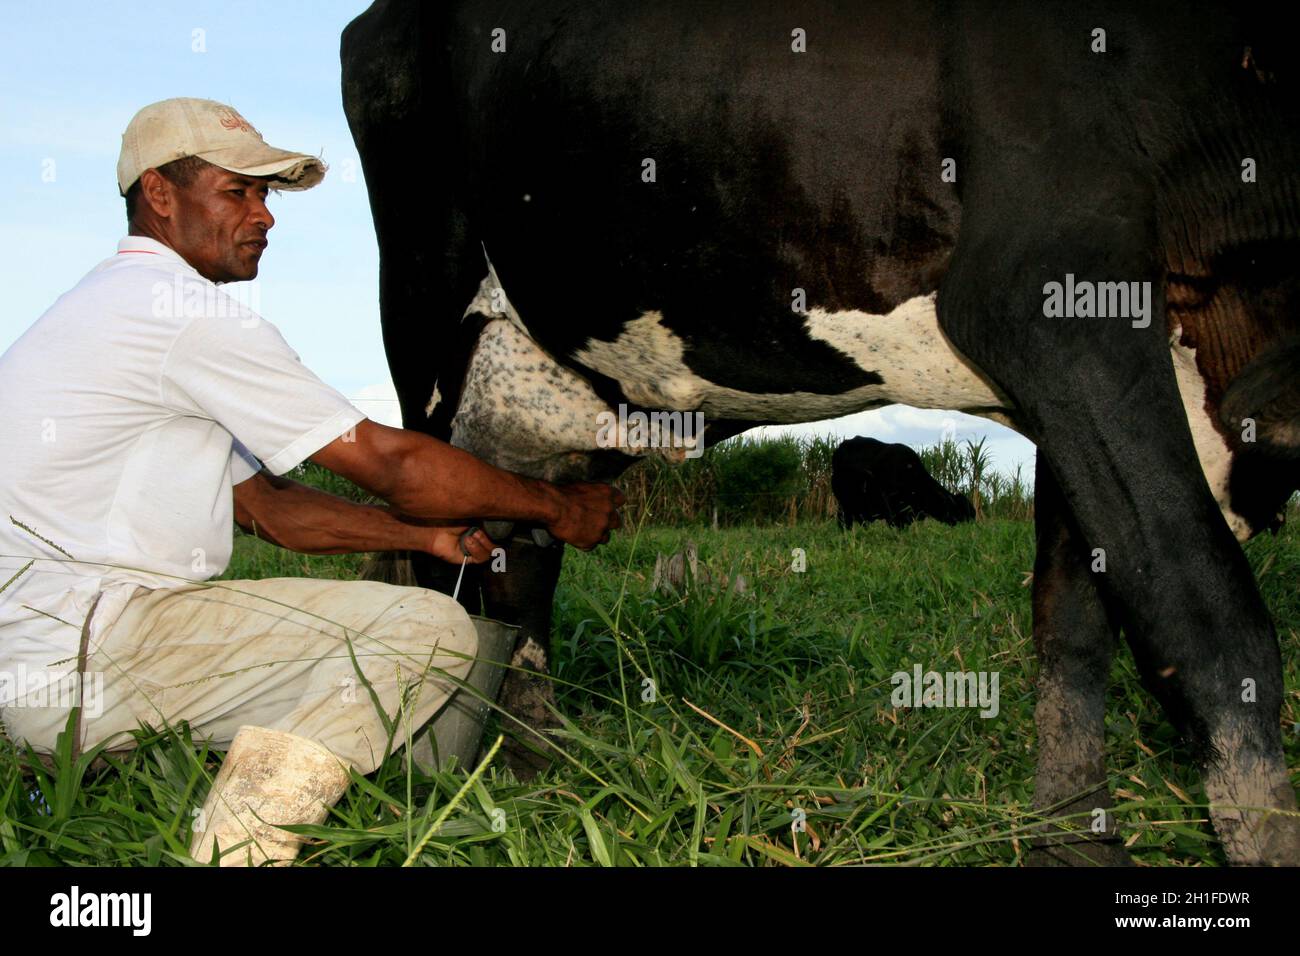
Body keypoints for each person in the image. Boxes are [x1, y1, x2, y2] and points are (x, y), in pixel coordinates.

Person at [0, 97, 623, 865]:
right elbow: (392, 464)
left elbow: (270, 510)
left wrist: (421, 536)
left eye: (266, 195)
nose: (264, 216)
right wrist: (557, 504)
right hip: (94, 655)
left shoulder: (104, 308)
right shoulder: (186, 315)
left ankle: (149, 779)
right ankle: (238, 850)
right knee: (426, 635)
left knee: (357, 667)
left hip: (40, 674)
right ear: (159, 195)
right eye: (238, 192)